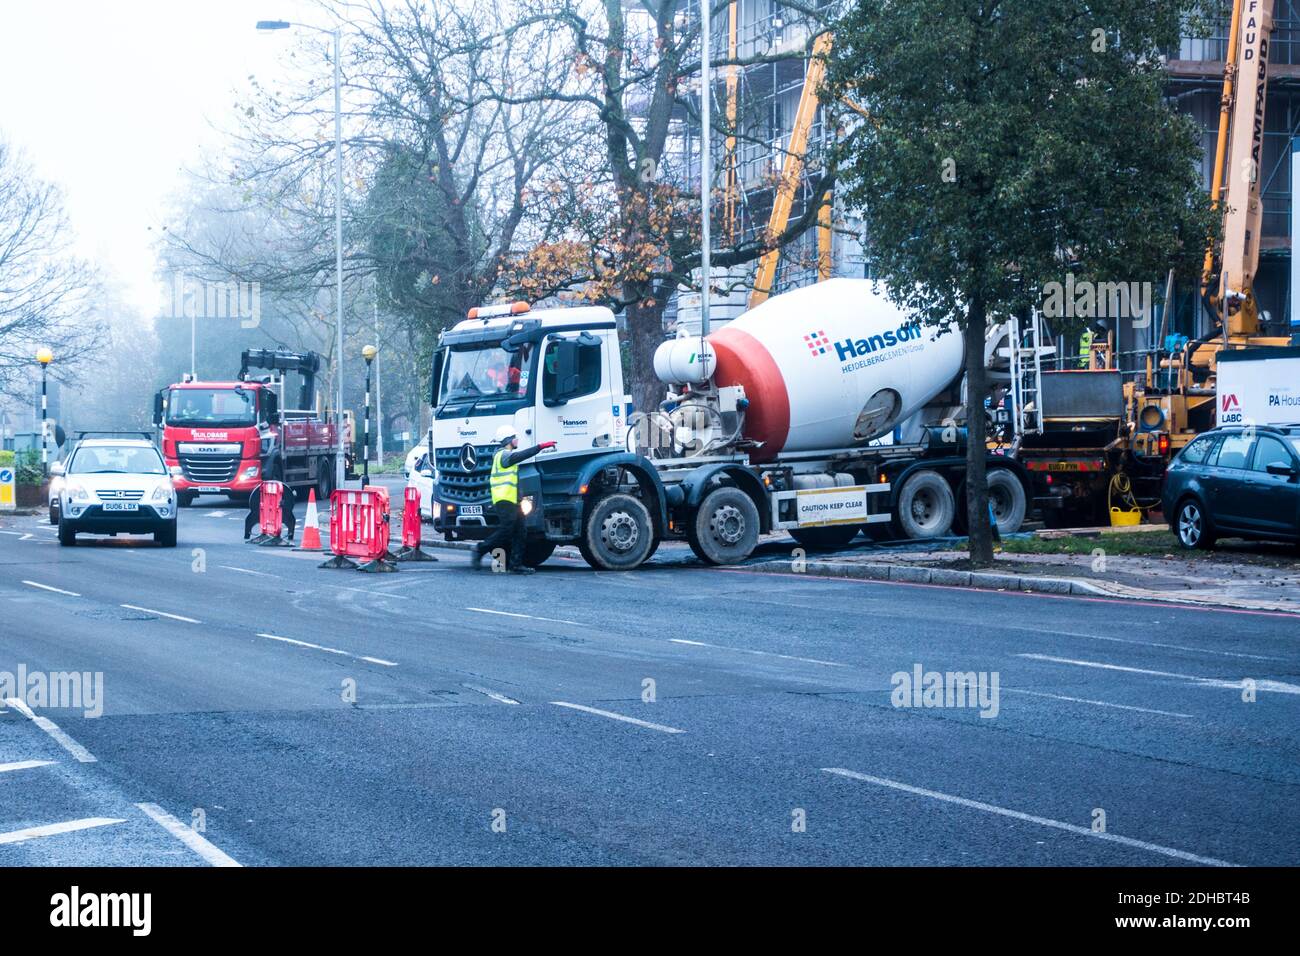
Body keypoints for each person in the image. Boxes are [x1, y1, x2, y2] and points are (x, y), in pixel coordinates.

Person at [471, 425, 554, 573]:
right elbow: (520, 456)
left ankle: (515, 565)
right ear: (508, 439)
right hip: (504, 500)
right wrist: (539, 447)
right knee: (506, 530)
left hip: (513, 501)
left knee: (520, 531)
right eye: (515, 437)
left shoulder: (504, 455)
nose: (517, 439)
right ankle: (480, 549)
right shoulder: (504, 455)